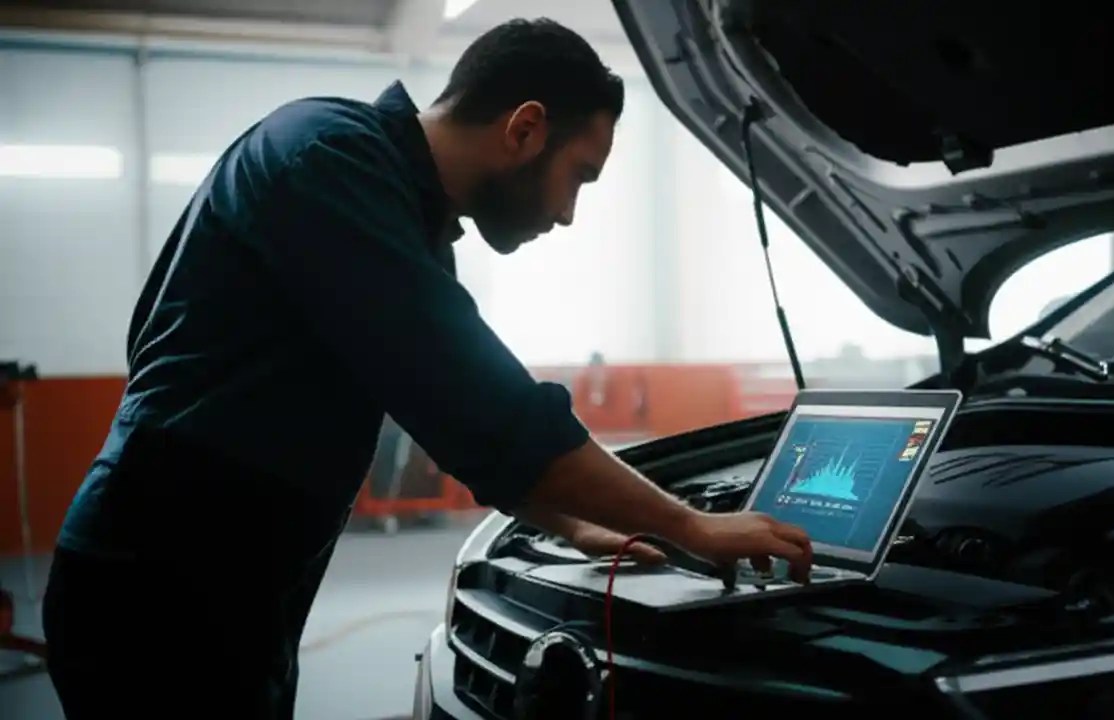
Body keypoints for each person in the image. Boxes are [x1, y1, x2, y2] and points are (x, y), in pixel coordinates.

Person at [41, 17, 813, 719]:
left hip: (233, 587)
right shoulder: (326, 161)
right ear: (525, 129)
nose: (570, 213)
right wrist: (691, 527)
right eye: (579, 176)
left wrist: (570, 521)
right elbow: (481, 407)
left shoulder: (402, 217)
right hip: (156, 591)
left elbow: (445, 414)